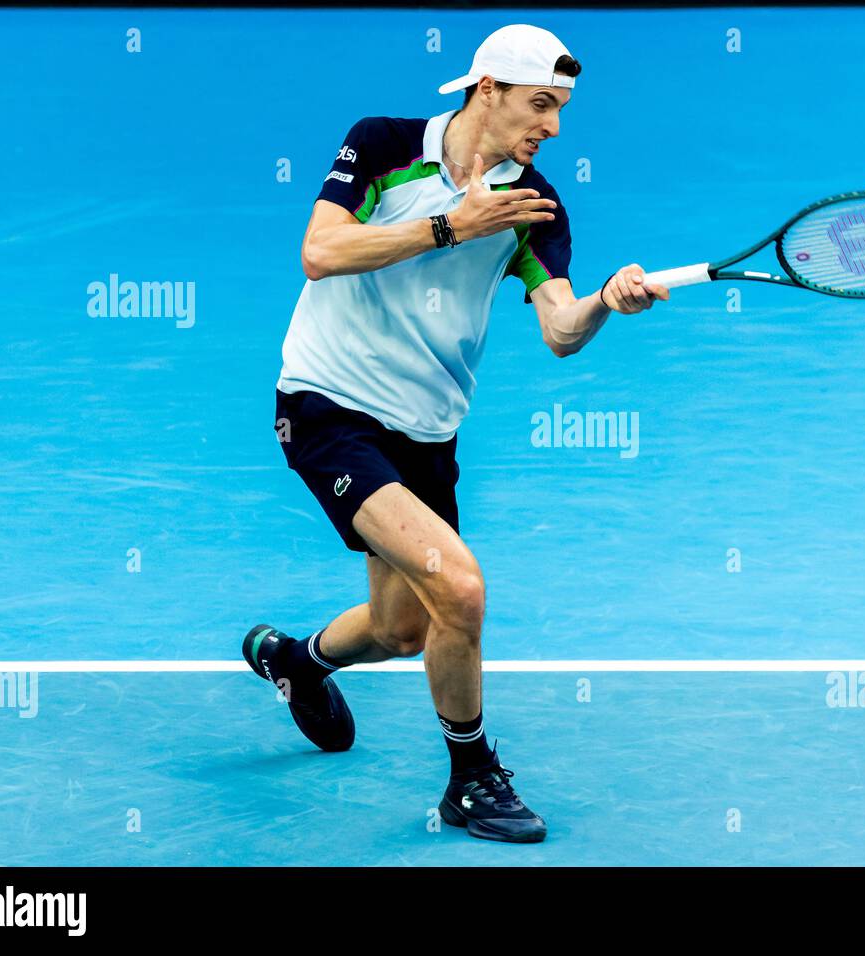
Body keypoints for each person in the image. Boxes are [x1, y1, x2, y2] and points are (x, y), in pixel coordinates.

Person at [243, 24, 668, 843]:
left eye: (561, 108)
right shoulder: (384, 145)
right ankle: (471, 781)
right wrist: (449, 226)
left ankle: (297, 660)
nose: (553, 126)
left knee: (404, 627)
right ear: (487, 92)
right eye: (541, 104)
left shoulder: (533, 207)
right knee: (461, 589)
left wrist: (607, 305)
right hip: (328, 403)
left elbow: (560, 328)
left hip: (427, 431)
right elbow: (321, 252)